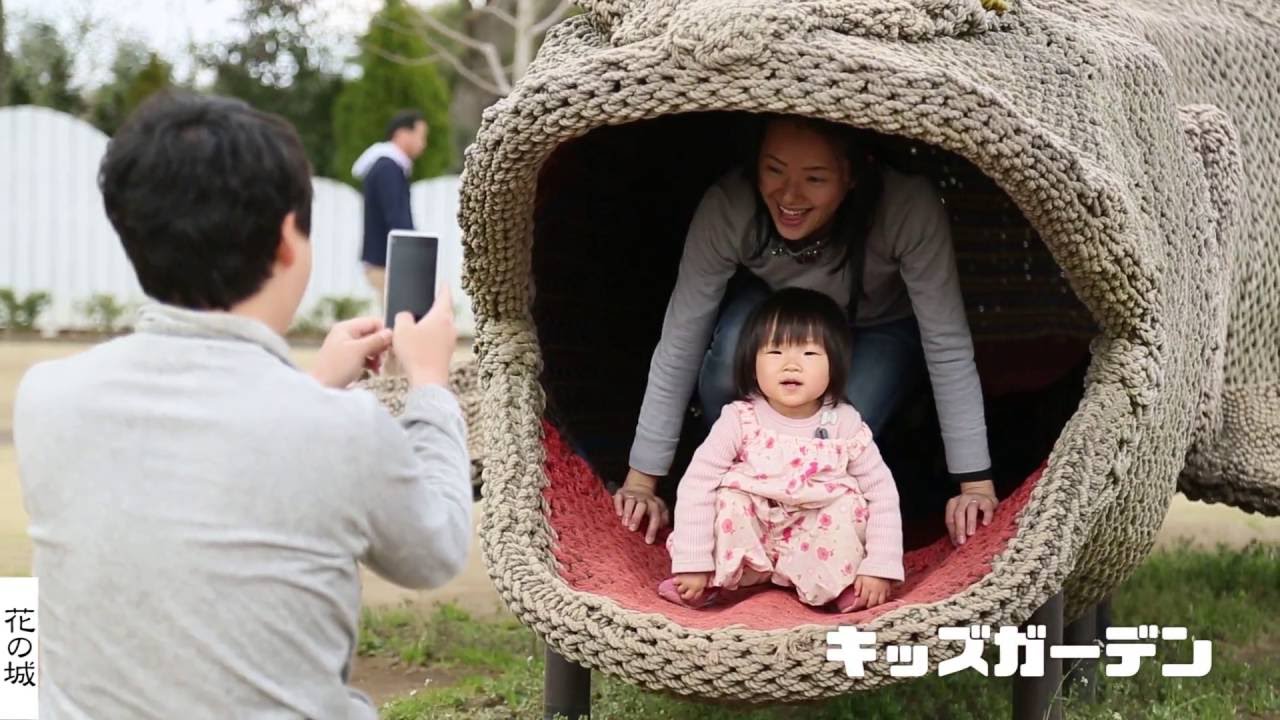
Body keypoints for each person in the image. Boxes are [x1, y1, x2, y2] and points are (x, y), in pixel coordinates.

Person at [13, 93, 470, 720]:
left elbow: (207, 468)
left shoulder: (45, 397)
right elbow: (436, 549)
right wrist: (430, 383)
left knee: (23, 608)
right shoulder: (343, 431)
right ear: (288, 241)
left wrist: (314, 387)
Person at [615, 115, 998, 548]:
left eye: (815, 178)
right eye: (774, 170)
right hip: (780, 313)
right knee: (726, 367)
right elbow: (682, 337)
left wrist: (975, 485)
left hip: (878, 326)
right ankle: (731, 482)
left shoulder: (907, 207)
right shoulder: (731, 206)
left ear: (854, 174)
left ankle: (806, 512)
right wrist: (642, 482)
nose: (790, 195)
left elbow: (946, 343)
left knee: (839, 425)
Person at [660, 289, 903, 612]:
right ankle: (708, 580)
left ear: (836, 362)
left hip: (813, 541)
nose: (790, 365)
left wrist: (879, 566)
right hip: (752, 533)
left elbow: (882, 494)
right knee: (726, 497)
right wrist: (692, 561)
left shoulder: (844, 422)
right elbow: (697, 483)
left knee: (848, 505)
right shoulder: (739, 418)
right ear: (751, 362)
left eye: (809, 354)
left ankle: (839, 585)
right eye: (774, 351)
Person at [353, 109, 429, 298]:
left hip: (383, 261)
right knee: (399, 320)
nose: (424, 144)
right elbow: (397, 217)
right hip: (387, 263)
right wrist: (412, 258)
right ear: (402, 134)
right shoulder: (389, 168)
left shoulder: (386, 166)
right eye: (421, 136)